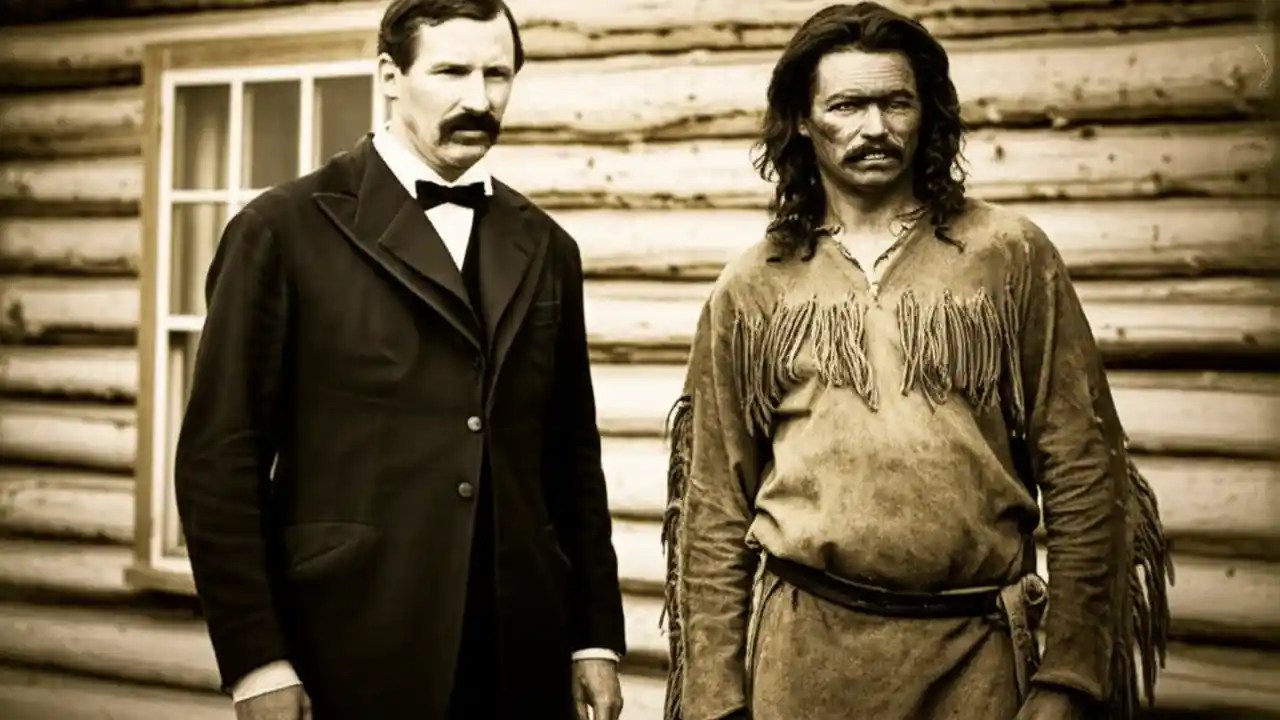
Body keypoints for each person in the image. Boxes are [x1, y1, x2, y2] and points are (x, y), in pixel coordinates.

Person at [660, 3, 1172, 720]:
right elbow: (713, 508)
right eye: (847, 105)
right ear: (803, 121)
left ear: (926, 112)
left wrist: (1069, 676)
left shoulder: (1008, 258)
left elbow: (1086, 471)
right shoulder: (756, 285)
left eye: (896, 102)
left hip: (977, 659)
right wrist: (716, 699)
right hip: (805, 660)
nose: (875, 128)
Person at [173, 1, 627, 718]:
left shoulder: (546, 246)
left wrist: (594, 638)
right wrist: (257, 660)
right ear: (390, 75)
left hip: (522, 651)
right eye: (450, 71)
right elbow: (218, 461)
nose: (478, 98)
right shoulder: (280, 231)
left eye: (497, 74)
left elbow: (572, 454)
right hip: (349, 646)